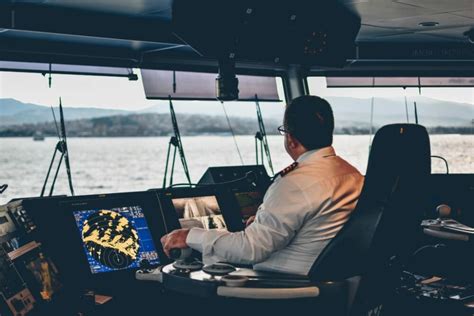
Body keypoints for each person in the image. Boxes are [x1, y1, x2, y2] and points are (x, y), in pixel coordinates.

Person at [161, 95, 364, 275]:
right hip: (331, 278)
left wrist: (191, 236)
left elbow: (251, 249)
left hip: (287, 285)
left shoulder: (294, 183)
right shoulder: (351, 173)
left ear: (291, 139)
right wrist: (262, 224)